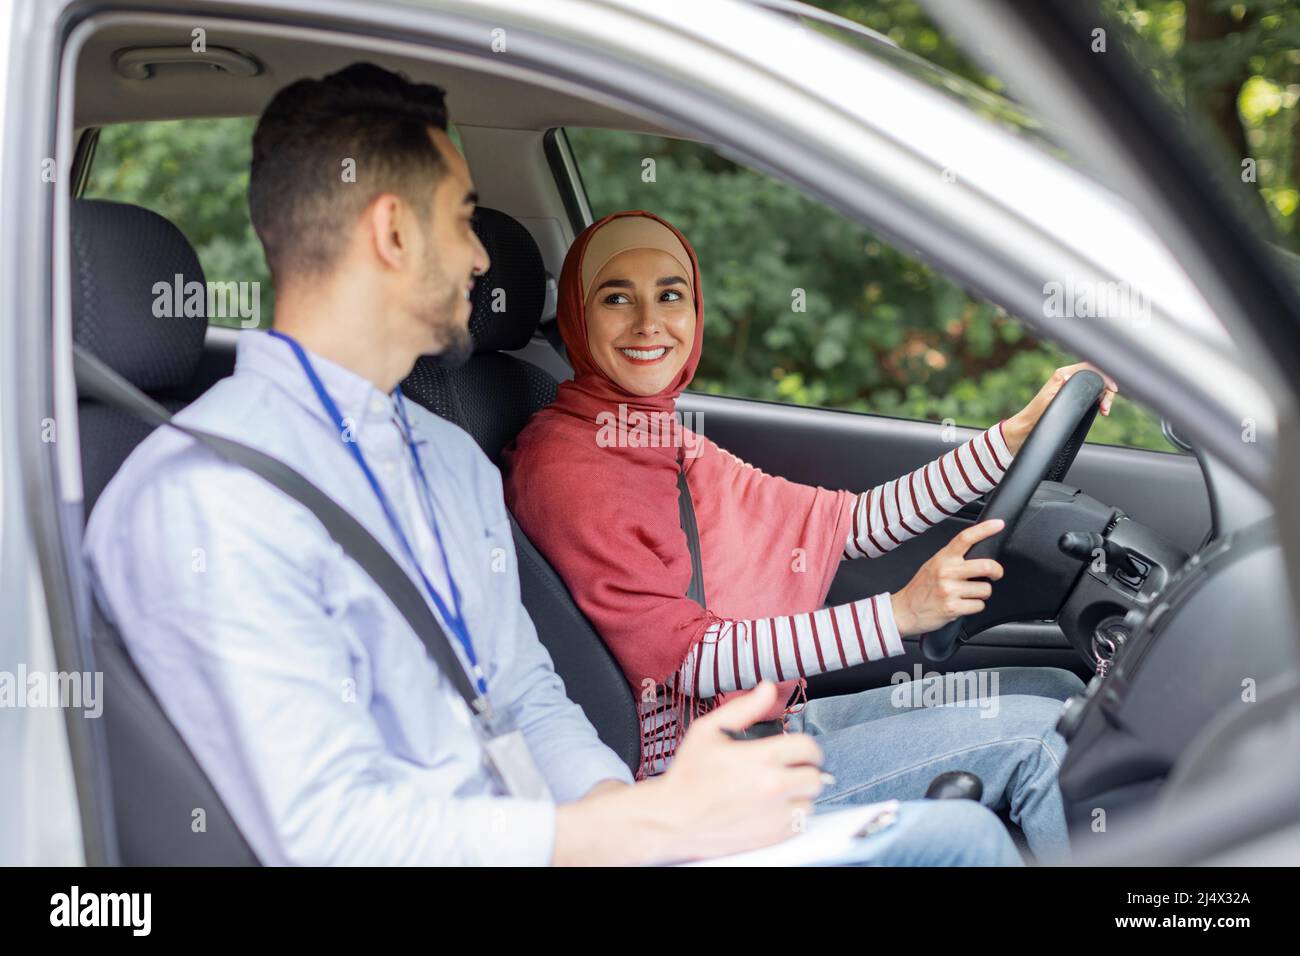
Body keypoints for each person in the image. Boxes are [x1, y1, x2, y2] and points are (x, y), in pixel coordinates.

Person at [83, 64, 1022, 866]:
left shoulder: (447, 457)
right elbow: (332, 834)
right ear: (393, 234)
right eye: (463, 218)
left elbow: (529, 693)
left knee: (964, 822)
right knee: (965, 841)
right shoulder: (209, 499)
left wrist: (628, 820)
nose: (484, 255)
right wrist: (648, 824)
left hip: (577, 838)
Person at [502, 210, 1119, 860]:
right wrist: (900, 613)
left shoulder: (662, 438)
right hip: (697, 775)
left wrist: (1009, 440)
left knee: (1055, 692)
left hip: (762, 724)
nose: (649, 321)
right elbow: (687, 659)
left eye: (670, 294)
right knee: (1042, 738)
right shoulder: (571, 464)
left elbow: (848, 524)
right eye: (616, 296)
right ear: (576, 314)